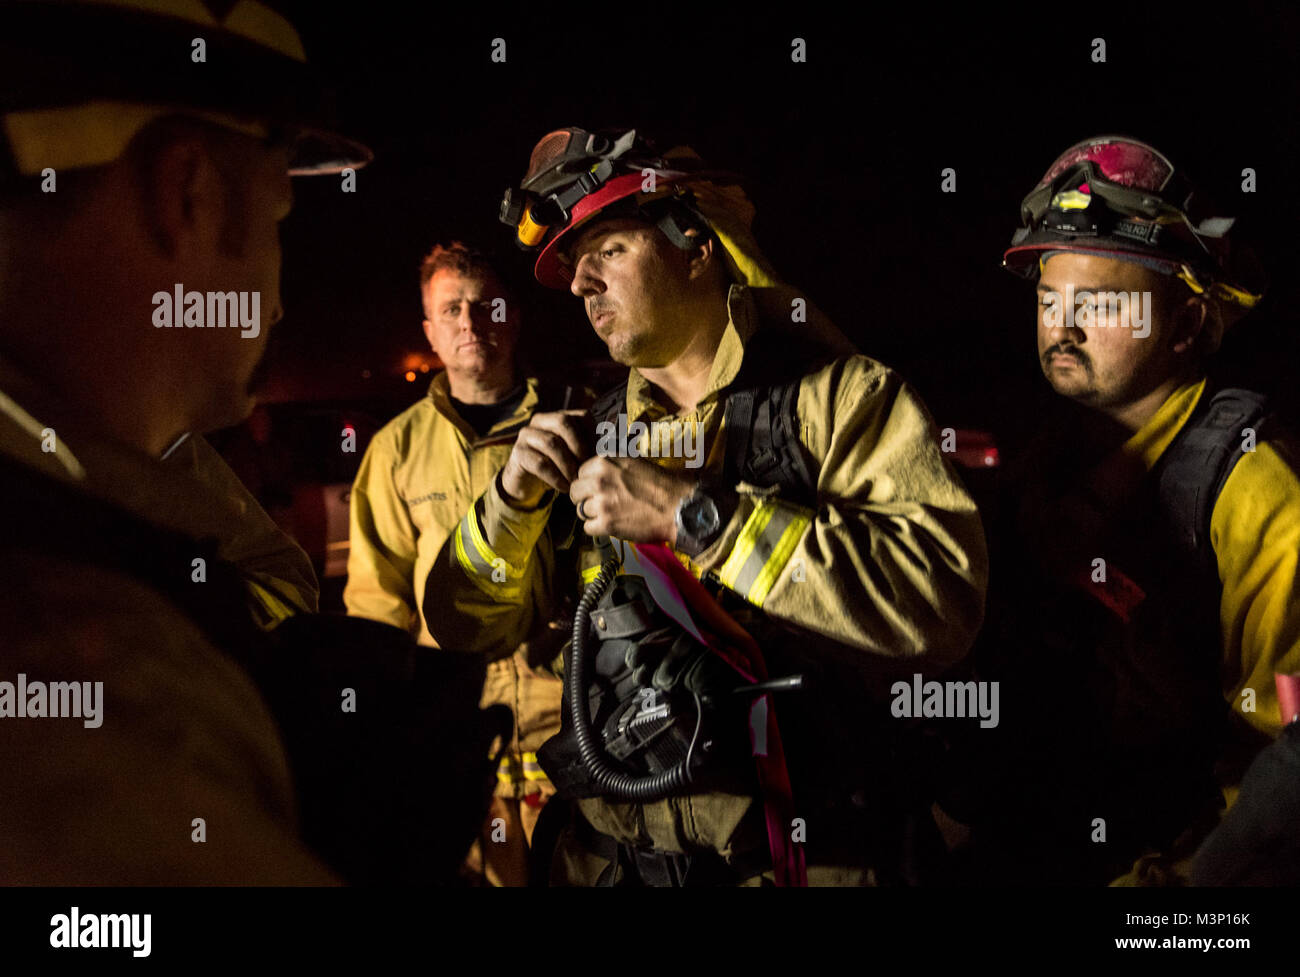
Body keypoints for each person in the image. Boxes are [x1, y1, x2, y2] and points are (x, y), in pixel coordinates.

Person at [423, 127, 989, 885]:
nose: (583, 283)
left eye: (611, 251)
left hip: (807, 858)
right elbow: (463, 627)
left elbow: (939, 605)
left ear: (697, 245)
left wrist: (696, 520)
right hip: (612, 864)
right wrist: (507, 504)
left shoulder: (838, 400)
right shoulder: (581, 441)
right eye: (574, 268)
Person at [0, 0, 464, 884]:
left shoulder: (65, 494)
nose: (278, 305)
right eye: (281, 217)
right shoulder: (96, 675)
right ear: (190, 194)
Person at [934, 135, 1300, 885]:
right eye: (1049, 298)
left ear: (1191, 326)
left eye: (1099, 302)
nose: (1060, 327)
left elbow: (1280, 773)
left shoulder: (1258, 491)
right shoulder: (1047, 451)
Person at [345, 242, 568, 885]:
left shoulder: (566, 427)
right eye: (451, 310)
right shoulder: (395, 452)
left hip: (572, 728)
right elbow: (376, 607)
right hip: (459, 739)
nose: (469, 323)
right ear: (430, 333)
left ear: (513, 316)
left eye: (484, 306)